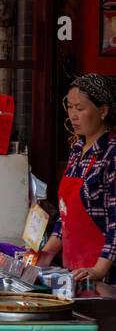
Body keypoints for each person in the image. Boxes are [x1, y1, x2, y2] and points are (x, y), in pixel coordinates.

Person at [38, 74, 116, 290]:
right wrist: (49, 250)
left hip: (106, 277)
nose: (73, 115)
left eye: (80, 108)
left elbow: (115, 223)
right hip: (74, 271)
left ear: (103, 111)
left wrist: (99, 269)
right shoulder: (76, 151)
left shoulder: (112, 155)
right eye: (70, 107)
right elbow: (67, 213)